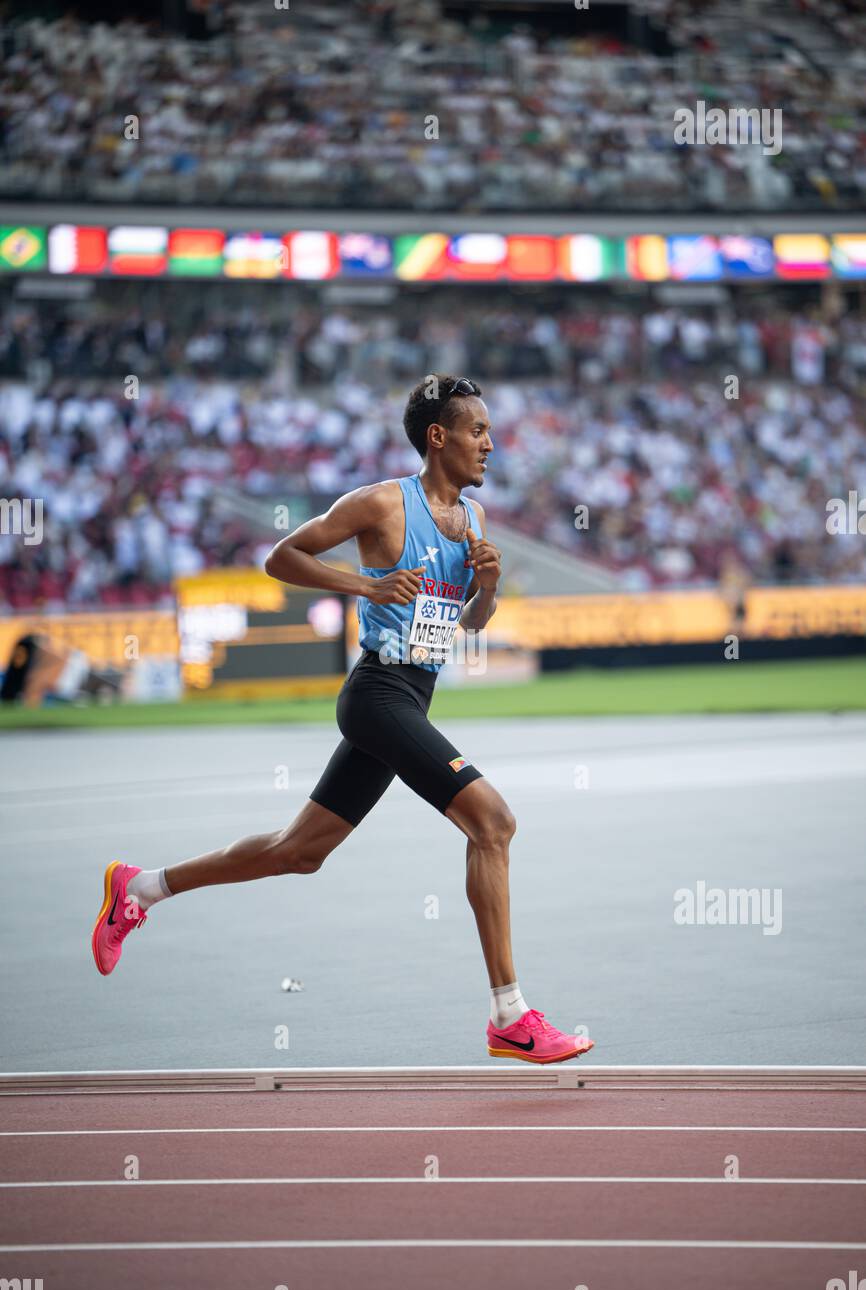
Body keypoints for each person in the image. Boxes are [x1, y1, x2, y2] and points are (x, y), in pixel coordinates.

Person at [91, 375, 594, 1065]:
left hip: (411, 698)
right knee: (493, 822)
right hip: (376, 694)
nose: (489, 442)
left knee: (297, 852)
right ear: (437, 436)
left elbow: (473, 622)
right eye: (476, 429)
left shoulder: (473, 522)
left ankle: (140, 886)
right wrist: (368, 584)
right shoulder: (382, 504)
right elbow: (281, 556)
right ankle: (509, 1013)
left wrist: (488, 586)